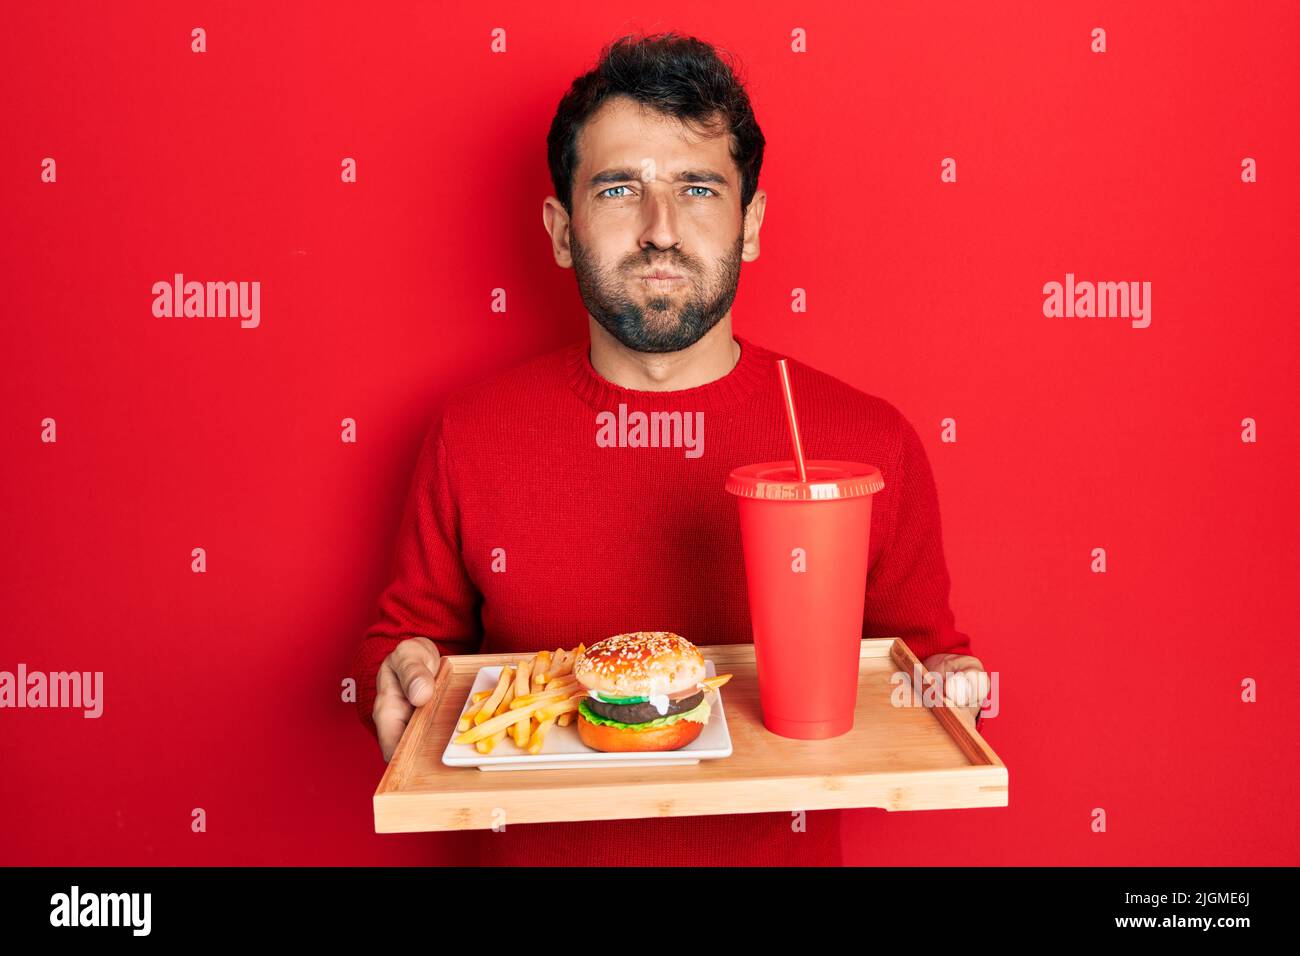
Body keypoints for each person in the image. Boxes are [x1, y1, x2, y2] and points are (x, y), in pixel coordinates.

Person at [350, 31, 987, 867]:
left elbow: (926, 661)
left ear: (750, 224)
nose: (659, 230)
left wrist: (954, 688)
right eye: (619, 189)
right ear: (561, 228)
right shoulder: (470, 433)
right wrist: (393, 679)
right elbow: (405, 646)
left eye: (697, 187)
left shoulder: (865, 442)